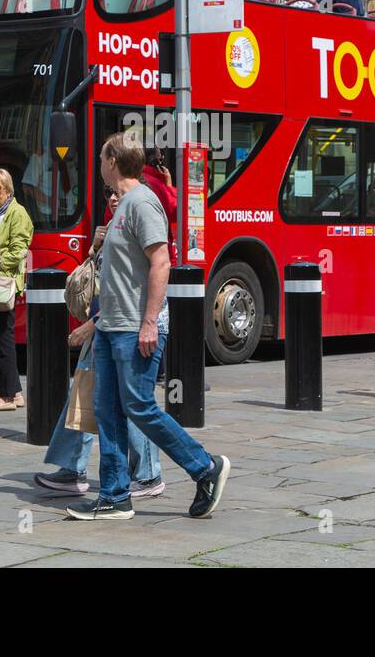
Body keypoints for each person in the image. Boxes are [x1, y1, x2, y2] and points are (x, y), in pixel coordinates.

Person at [66, 132, 230, 521]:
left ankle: (205, 467)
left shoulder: (142, 203)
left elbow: (161, 263)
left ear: (112, 161)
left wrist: (149, 323)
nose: (100, 162)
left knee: (139, 406)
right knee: (108, 410)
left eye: (103, 155)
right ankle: (115, 495)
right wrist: (95, 324)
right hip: (110, 327)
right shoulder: (121, 205)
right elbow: (123, 274)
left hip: (135, 327)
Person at [36, 191, 165, 497]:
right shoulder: (111, 230)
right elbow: (96, 282)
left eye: (119, 193)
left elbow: (130, 290)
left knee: (133, 401)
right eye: (109, 193)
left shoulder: (136, 225)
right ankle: (72, 468)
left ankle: (149, 473)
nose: (112, 198)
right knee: (83, 392)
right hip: (107, 325)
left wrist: (88, 328)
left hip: (124, 325)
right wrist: (95, 248)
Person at [0, 168, 33, 411]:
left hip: (4, 284)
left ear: (8, 190)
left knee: (3, 338)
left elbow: (18, 251)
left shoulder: (17, 213)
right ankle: (13, 392)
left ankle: (9, 395)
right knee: (1, 339)